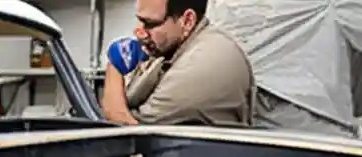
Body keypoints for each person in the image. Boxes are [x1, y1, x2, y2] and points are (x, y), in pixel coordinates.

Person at [101, 0, 254, 127]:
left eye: (149, 24)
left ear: (187, 21)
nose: (138, 32)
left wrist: (115, 66)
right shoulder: (177, 47)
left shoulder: (199, 66)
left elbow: (125, 130)